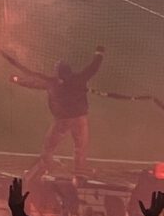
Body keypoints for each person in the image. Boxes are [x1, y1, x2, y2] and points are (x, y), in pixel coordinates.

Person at [13, 46, 105, 177]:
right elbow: (92, 69)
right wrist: (99, 54)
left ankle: (45, 167)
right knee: (80, 147)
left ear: (57, 72)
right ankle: (79, 171)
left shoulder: (52, 82)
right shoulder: (79, 79)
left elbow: (33, 83)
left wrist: (16, 80)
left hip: (62, 120)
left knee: (49, 146)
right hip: (80, 119)